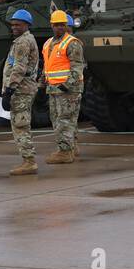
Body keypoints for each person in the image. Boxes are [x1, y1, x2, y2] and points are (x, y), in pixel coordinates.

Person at [1, 8, 41, 175]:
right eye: (13, 24)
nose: (14, 27)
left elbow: (19, 67)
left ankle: (29, 161)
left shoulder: (23, 42)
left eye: (18, 24)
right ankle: (27, 159)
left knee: (20, 125)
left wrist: (10, 89)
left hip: (21, 90)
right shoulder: (23, 40)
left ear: (27, 25)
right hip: (22, 89)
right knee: (19, 124)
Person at [42, 9, 85, 164]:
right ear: (51, 25)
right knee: (58, 119)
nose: (59, 28)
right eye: (56, 25)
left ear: (66, 25)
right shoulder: (48, 43)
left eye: (62, 25)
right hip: (53, 89)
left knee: (64, 120)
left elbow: (77, 66)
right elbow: (49, 65)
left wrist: (67, 85)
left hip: (68, 90)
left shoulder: (72, 43)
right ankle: (71, 147)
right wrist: (43, 80)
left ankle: (65, 152)